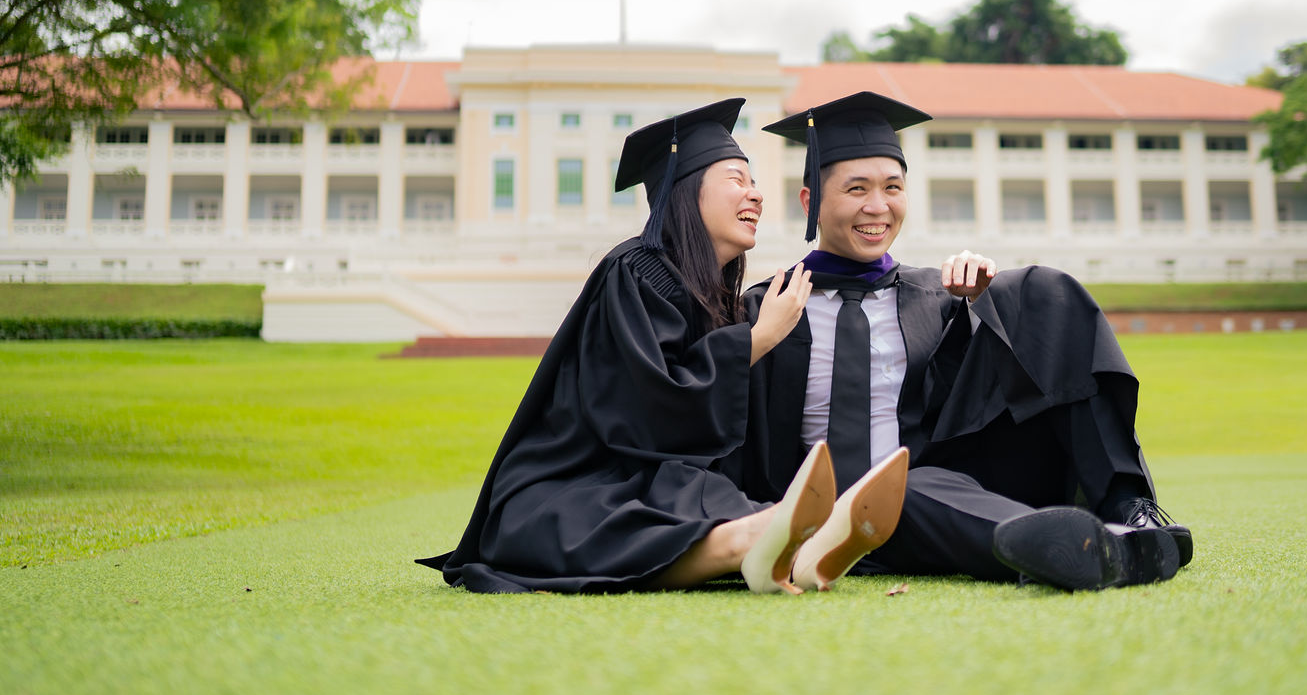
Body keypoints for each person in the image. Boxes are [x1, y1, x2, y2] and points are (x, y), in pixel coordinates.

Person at [417, 99, 909, 594]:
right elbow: (647, 413)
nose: (756, 196)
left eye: (754, 182)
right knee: (636, 517)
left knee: (708, 498)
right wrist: (756, 340)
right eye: (737, 180)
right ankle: (766, 542)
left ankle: (768, 541)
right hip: (575, 488)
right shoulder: (634, 272)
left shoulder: (713, 295)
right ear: (685, 192)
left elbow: (702, 440)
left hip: (653, 483)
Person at [731, 92, 1191, 593]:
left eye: (893, 188)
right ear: (811, 202)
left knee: (1038, 291)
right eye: (856, 189)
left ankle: (1125, 518)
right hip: (819, 521)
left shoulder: (937, 296)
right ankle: (1078, 548)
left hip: (930, 493)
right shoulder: (766, 309)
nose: (877, 206)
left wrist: (986, 306)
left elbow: (977, 409)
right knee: (887, 495)